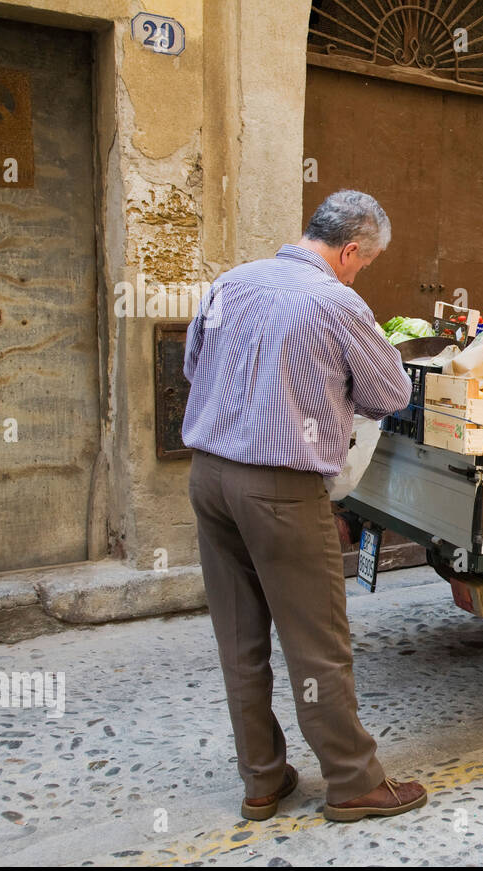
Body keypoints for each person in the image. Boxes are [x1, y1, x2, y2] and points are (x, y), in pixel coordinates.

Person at [182, 189, 427, 823]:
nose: (361, 271)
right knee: (317, 642)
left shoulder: (230, 282)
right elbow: (390, 393)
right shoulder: (337, 301)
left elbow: (192, 366)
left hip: (209, 478)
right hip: (281, 491)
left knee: (239, 638)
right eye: (364, 262)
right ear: (349, 250)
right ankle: (352, 782)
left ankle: (262, 781)